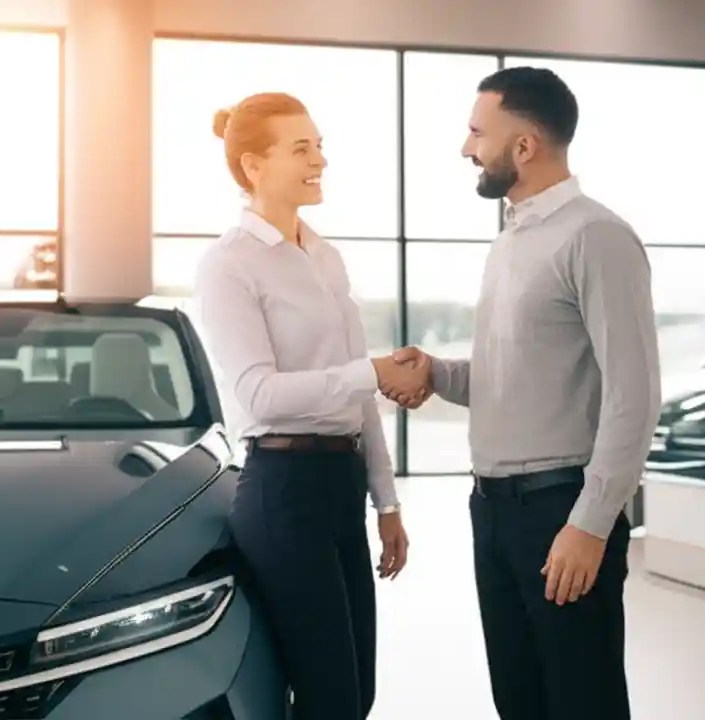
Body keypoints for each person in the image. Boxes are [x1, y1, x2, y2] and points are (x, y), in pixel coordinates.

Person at [386, 67, 661, 720]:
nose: (465, 147)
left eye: (478, 132)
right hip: (494, 511)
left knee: (581, 701)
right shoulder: (512, 242)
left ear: (525, 146)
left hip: (560, 510)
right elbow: (508, 379)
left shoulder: (595, 237)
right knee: (520, 701)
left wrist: (591, 524)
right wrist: (435, 373)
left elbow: (636, 393)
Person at [192, 92, 428, 720]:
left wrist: (387, 501)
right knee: (330, 698)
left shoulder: (326, 258)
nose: (319, 159)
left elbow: (359, 391)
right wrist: (370, 371)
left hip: (340, 486)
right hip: (282, 491)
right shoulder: (229, 264)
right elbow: (259, 394)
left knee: (358, 691)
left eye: (320, 145)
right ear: (253, 165)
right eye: (302, 148)